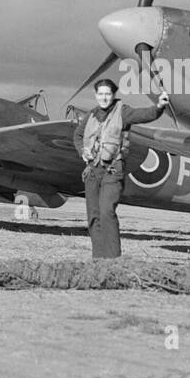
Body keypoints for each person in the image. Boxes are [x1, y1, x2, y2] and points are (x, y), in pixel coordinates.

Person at [72, 80, 170, 259]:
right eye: (100, 94)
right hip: (92, 172)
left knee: (106, 211)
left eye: (107, 94)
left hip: (113, 171)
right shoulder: (90, 115)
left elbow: (145, 114)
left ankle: (114, 260)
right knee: (93, 216)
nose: (104, 97)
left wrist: (159, 106)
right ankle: (99, 259)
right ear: (96, 95)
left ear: (114, 95)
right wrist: (82, 152)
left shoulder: (123, 112)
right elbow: (78, 135)